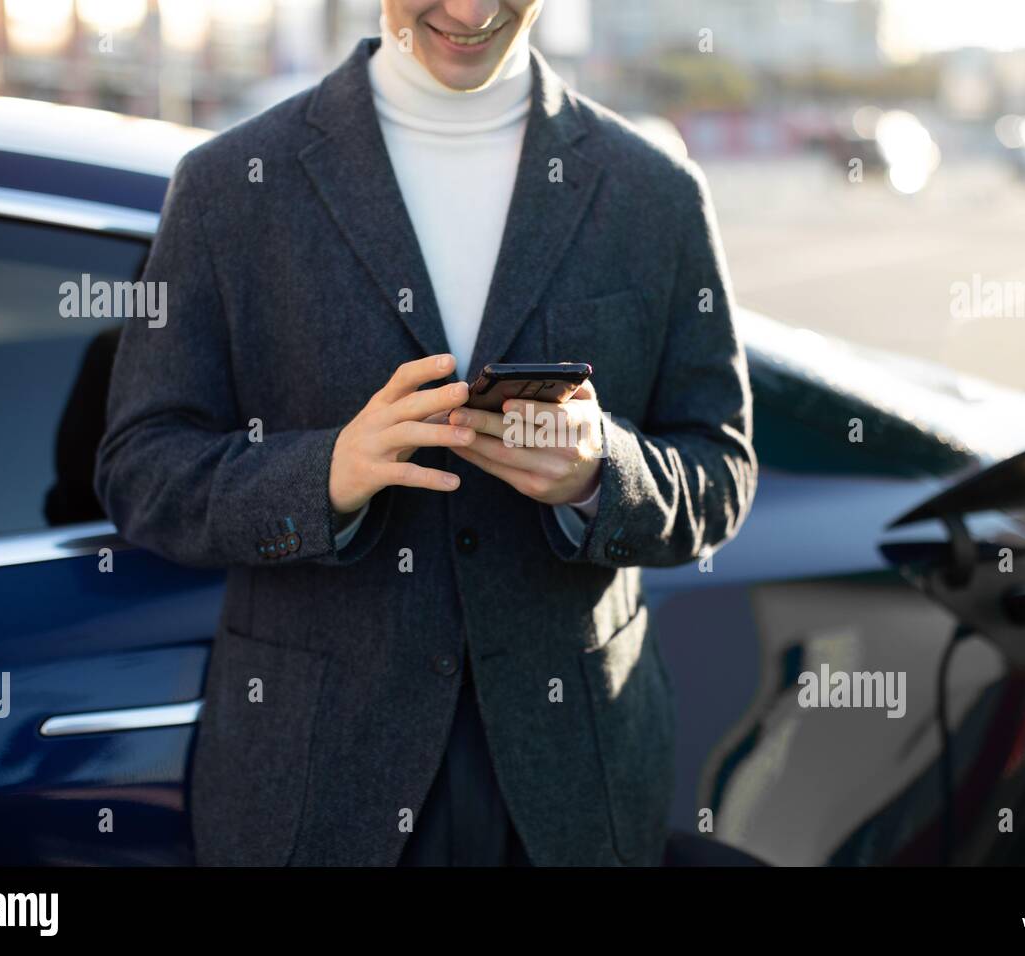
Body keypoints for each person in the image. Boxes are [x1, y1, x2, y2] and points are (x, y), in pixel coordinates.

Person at [95, 0, 756, 867]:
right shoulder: (229, 184)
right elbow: (140, 468)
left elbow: (723, 469)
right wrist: (324, 475)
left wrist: (602, 474)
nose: (472, 10)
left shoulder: (656, 192)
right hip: (317, 790)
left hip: (573, 789)